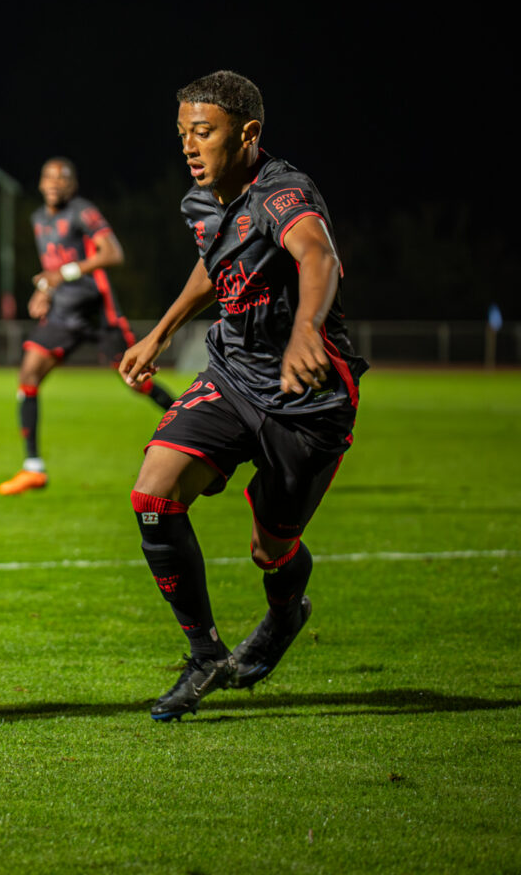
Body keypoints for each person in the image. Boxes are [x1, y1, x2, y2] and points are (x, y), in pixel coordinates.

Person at [118, 71, 367, 721]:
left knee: (270, 551)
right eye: (183, 135)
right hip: (233, 373)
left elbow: (318, 256)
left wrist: (306, 328)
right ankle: (204, 654)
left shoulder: (282, 192)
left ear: (247, 133)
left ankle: (286, 612)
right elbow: (214, 263)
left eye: (204, 132)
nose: (190, 147)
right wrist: (160, 334)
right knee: (153, 494)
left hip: (305, 395)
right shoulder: (201, 202)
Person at [0, 158, 174, 495]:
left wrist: (61, 276)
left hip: (98, 312)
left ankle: (191, 425)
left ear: (73, 185)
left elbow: (113, 254)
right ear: (39, 183)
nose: (54, 182)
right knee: (28, 375)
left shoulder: (83, 212)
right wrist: (45, 291)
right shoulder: (38, 219)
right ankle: (33, 467)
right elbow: (51, 266)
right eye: (48, 176)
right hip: (63, 314)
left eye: (62, 178)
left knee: (136, 379)